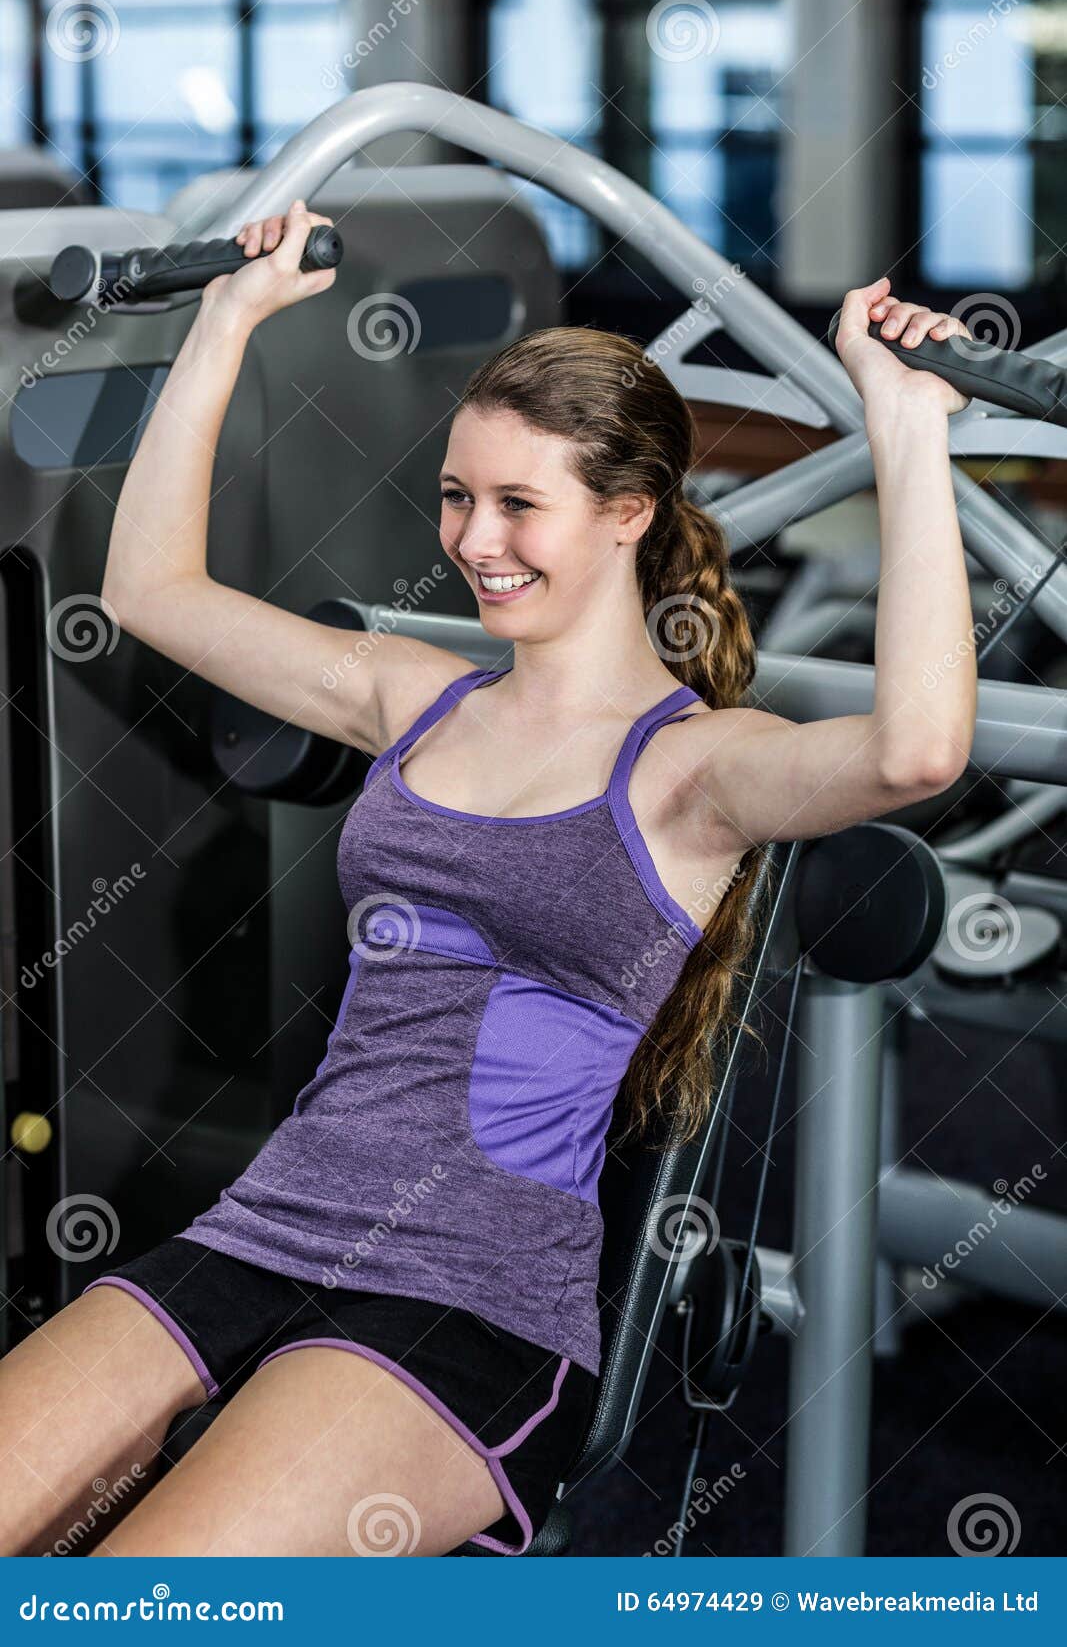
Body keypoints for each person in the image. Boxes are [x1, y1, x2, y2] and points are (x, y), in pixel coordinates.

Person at [0, 201, 977, 1558]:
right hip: (263, 1227)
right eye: (459, 495)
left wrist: (907, 433)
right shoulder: (419, 695)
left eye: (521, 503)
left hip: (473, 1303)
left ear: (629, 515)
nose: (476, 539)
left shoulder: (694, 774)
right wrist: (224, 318)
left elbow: (917, 747)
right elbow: (154, 590)